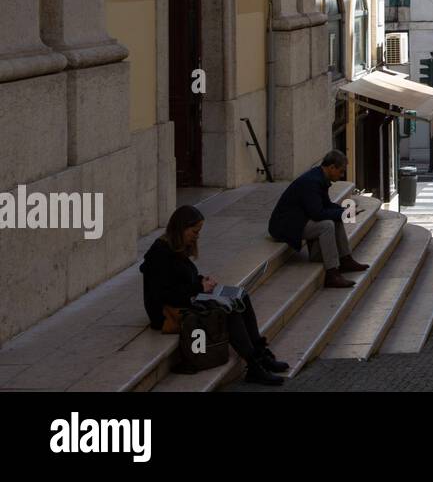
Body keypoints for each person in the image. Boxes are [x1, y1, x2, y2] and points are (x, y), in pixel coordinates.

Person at [143, 205, 289, 386]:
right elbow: (164, 294)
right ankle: (253, 365)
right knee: (227, 310)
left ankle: (259, 352)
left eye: (199, 232)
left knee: (241, 297)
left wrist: (202, 281)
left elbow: (181, 279)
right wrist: (198, 287)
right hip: (166, 312)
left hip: (186, 299)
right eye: (194, 231)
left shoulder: (178, 248)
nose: (196, 236)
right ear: (181, 228)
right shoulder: (160, 253)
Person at [267, 150, 369, 290]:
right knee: (327, 225)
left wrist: (345, 212)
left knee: (335, 218)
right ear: (331, 167)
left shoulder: (320, 178)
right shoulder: (312, 182)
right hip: (285, 226)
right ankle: (332, 273)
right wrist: (343, 213)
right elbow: (317, 213)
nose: (342, 175)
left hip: (300, 219)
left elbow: (326, 205)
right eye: (340, 171)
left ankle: (345, 259)